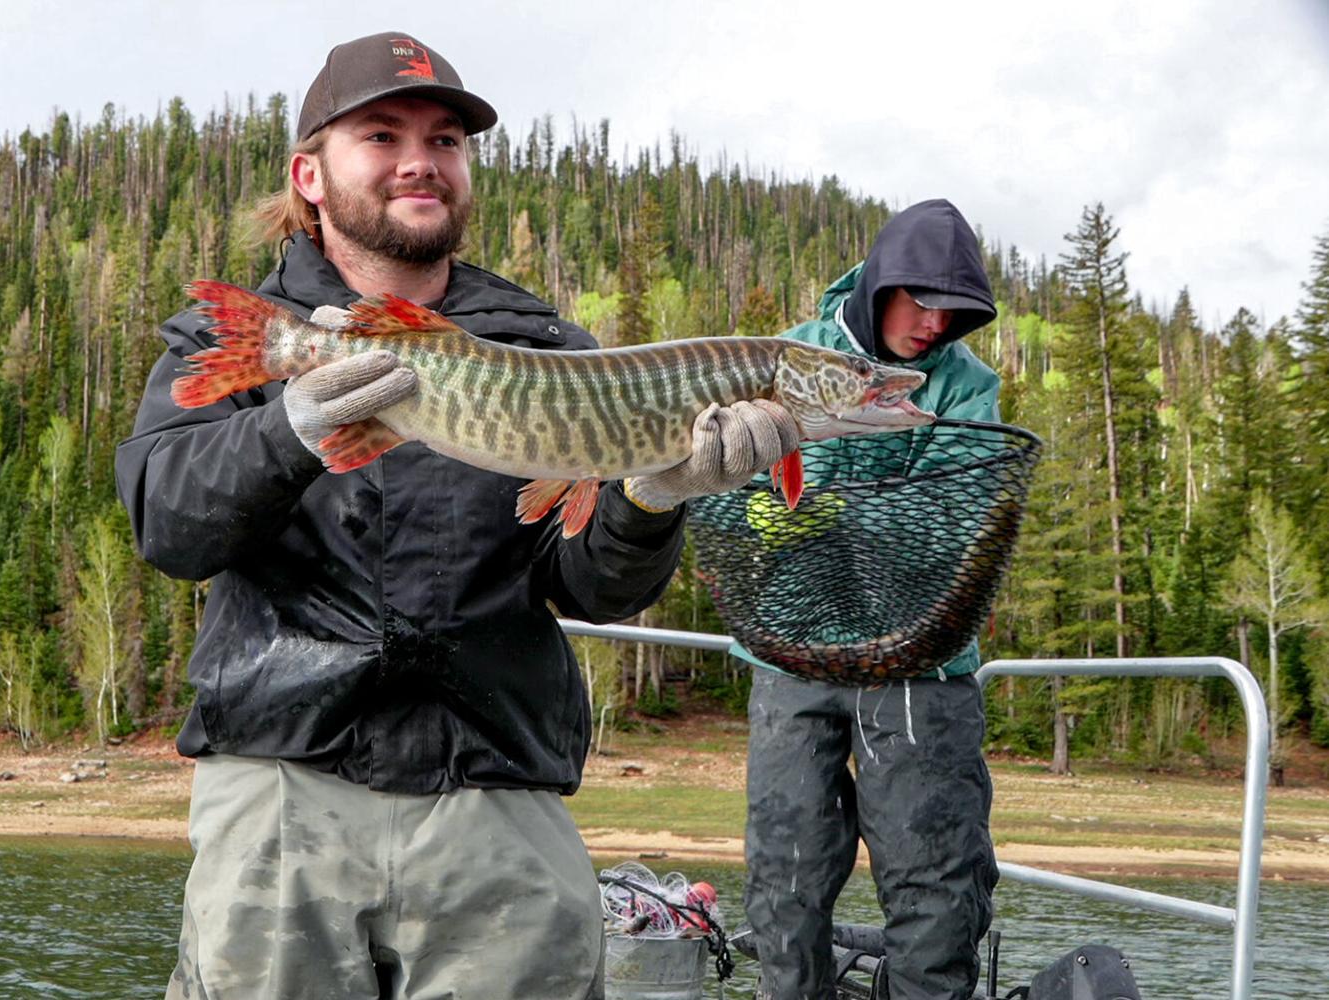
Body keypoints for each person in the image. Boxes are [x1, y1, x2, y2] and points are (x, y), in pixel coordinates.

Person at [114, 31, 799, 1000]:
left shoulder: (548, 347)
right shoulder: (238, 340)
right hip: (281, 792)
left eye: (443, 139)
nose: (419, 160)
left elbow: (592, 586)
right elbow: (169, 524)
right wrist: (287, 429)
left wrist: (651, 495)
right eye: (382, 135)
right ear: (309, 174)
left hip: (494, 799)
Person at [741, 199, 1002, 1000]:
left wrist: (826, 516)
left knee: (936, 882)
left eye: (952, 310)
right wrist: (767, 510)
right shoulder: (784, 356)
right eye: (920, 301)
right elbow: (743, 491)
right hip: (794, 649)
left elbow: (952, 520)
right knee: (785, 877)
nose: (934, 324)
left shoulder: (968, 387)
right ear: (881, 285)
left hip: (922, 659)